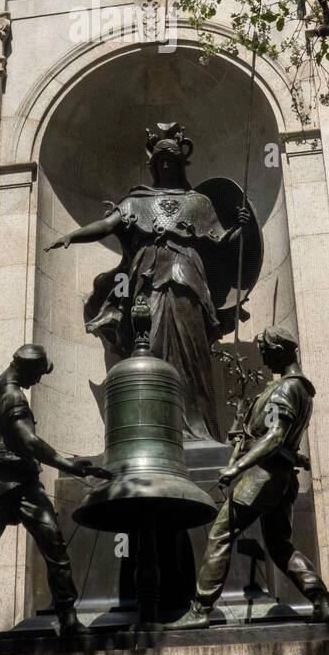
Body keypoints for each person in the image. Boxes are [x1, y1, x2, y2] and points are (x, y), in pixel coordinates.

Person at [46, 122, 249, 442]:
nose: (167, 166)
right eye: (161, 162)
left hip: (188, 280)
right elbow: (107, 225)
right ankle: (155, 430)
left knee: (192, 354)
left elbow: (222, 243)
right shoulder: (136, 201)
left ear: (182, 165)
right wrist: (74, 235)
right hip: (148, 281)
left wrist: (240, 228)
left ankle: (198, 431)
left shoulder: (199, 202)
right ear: (154, 166)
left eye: (172, 161)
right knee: (150, 346)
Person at [169, 326, 329, 627]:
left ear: (281, 351)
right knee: (280, 546)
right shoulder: (301, 391)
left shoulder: (286, 388)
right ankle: (320, 600)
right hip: (282, 477)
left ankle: (201, 609)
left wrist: (238, 466)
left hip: (264, 476)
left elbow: (274, 437)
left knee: (220, 532)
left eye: (266, 354)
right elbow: (284, 442)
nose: (264, 361)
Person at [0, 343, 107, 642]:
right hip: (6, 486)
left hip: (4, 483)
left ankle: (67, 618)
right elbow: (32, 443)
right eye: (39, 374)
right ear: (26, 369)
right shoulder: (11, 397)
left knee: (43, 545)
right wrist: (71, 466)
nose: (39, 381)